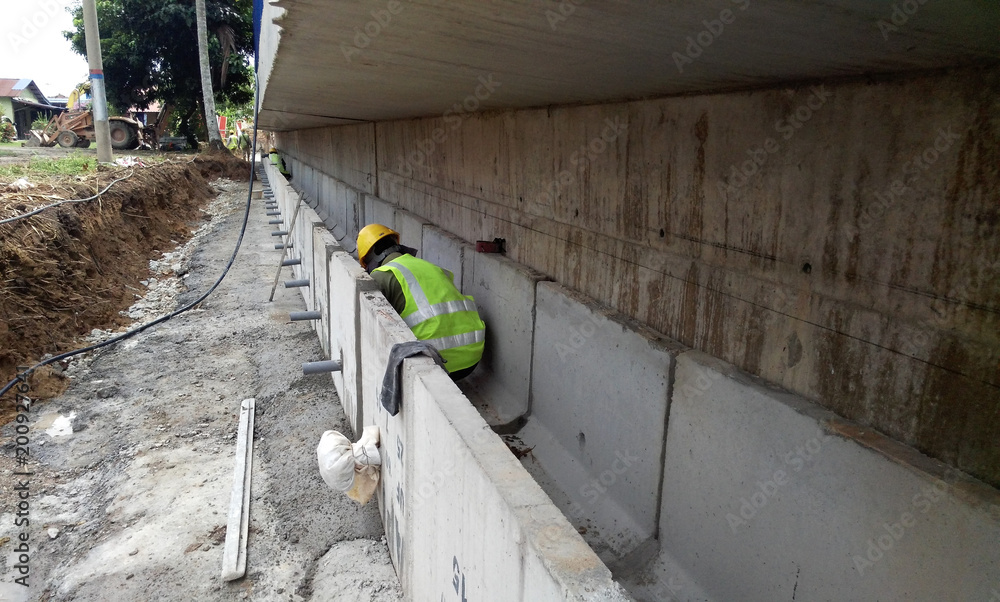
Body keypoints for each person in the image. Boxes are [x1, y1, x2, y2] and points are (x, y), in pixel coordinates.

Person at [356, 224, 485, 381]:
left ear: (369, 258)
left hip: (436, 361)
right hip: (472, 358)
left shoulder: (382, 276)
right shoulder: (431, 266)